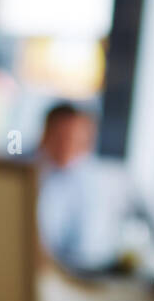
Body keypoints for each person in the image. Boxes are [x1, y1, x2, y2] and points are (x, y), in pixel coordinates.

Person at [34, 102, 130, 273]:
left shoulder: (108, 178)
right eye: (61, 137)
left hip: (91, 274)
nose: (67, 145)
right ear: (45, 134)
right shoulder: (27, 172)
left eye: (76, 138)